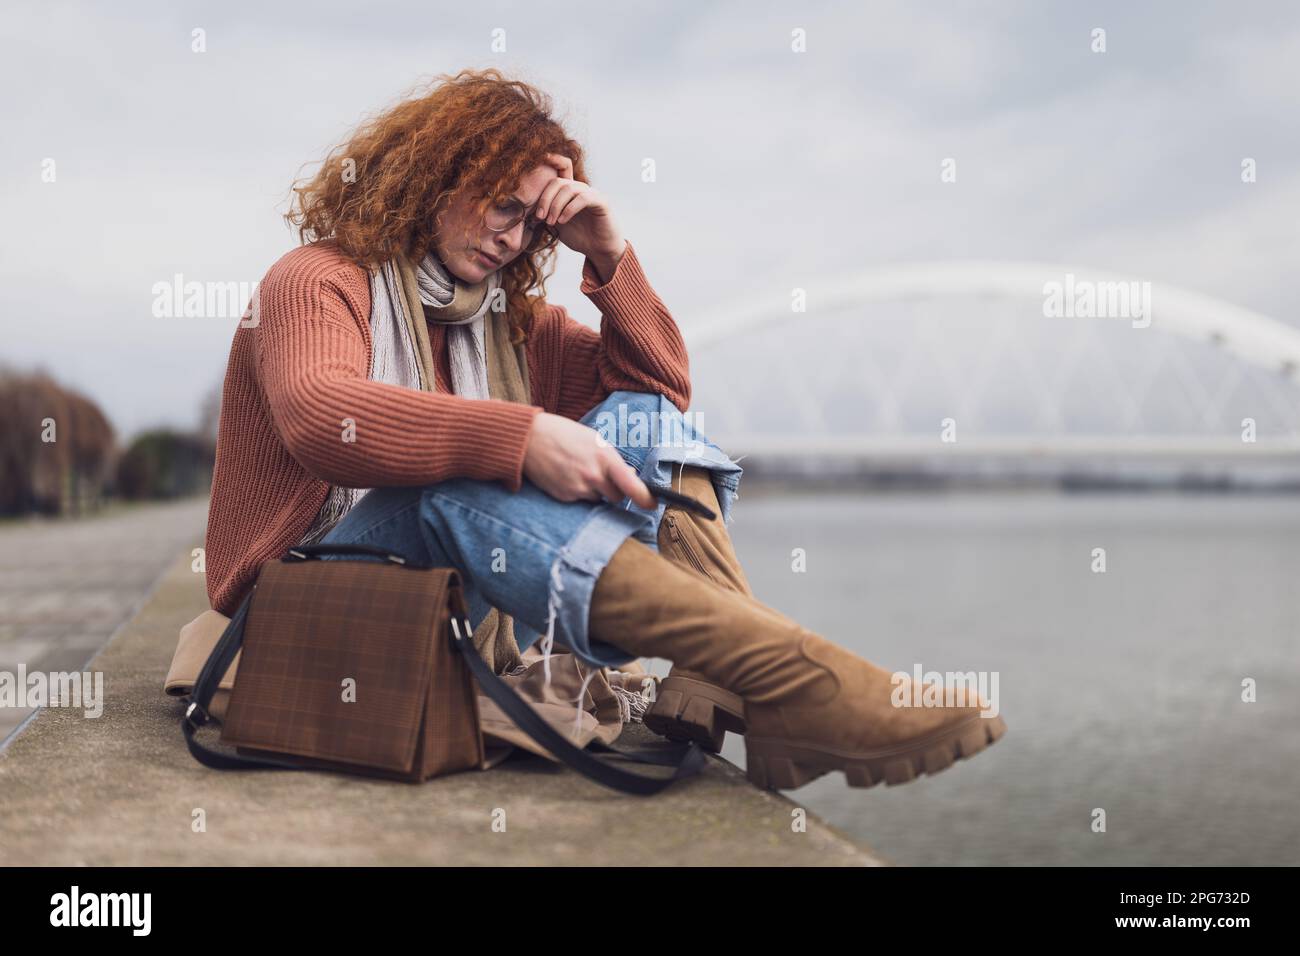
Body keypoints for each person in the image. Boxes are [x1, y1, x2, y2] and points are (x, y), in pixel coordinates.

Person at [204, 68, 1006, 791]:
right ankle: (791, 680)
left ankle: (732, 677)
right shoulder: (316, 280)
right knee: (459, 473)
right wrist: (519, 439)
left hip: (449, 600)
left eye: (532, 225)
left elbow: (658, 394)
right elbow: (323, 418)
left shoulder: (507, 326)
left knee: (637, 415)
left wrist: (610, 255)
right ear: (433, 178)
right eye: (502, 207)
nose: (513, 238)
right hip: (299, 605)